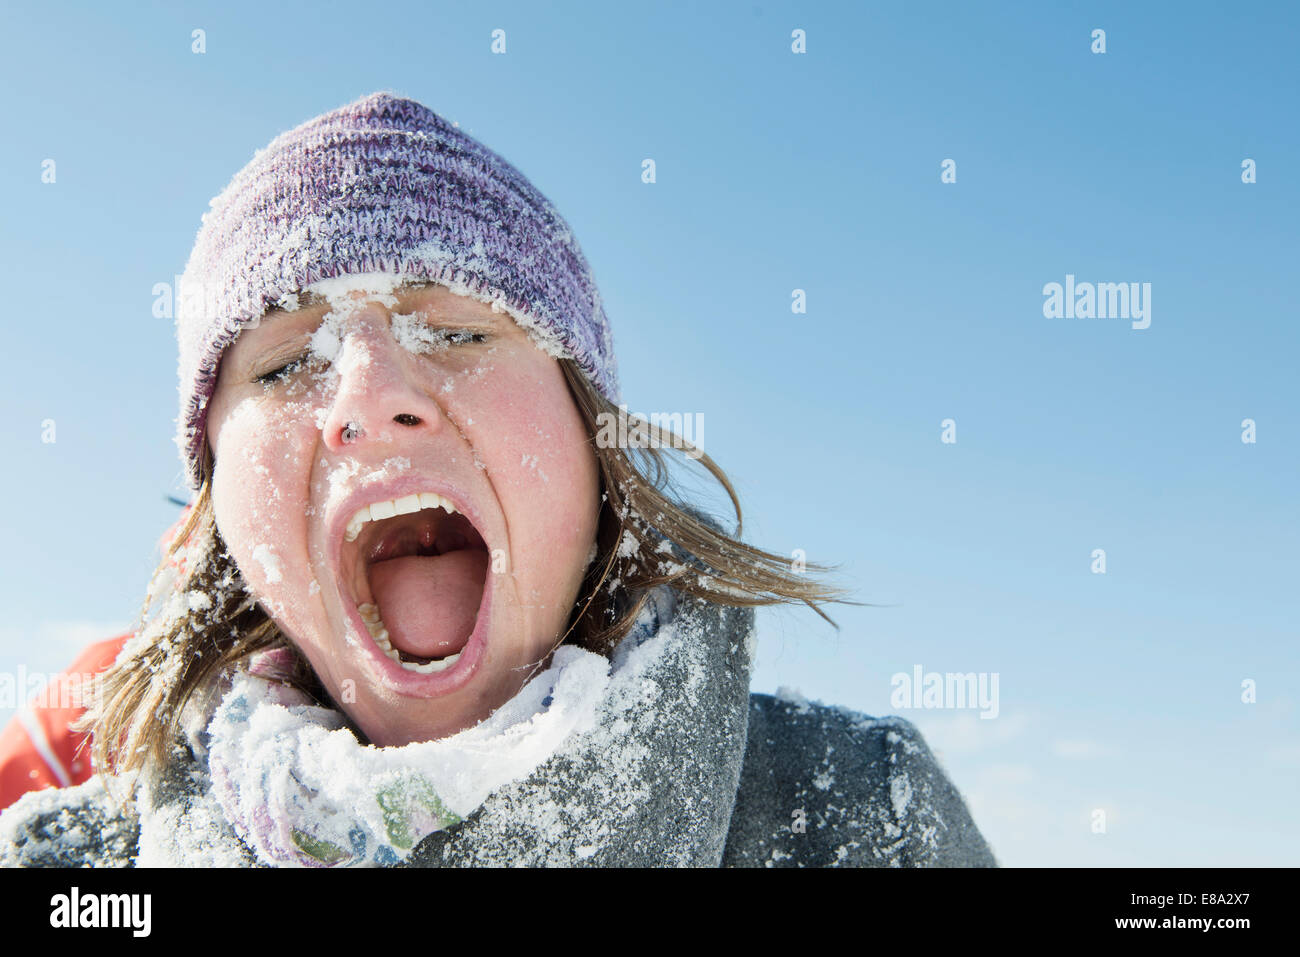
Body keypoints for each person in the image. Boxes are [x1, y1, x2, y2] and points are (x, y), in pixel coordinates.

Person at [0, 91, 996, 867]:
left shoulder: (865, 819)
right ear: (219, 502)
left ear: (589, 445)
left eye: (458, 330)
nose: (371, 394)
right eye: (284, 361)